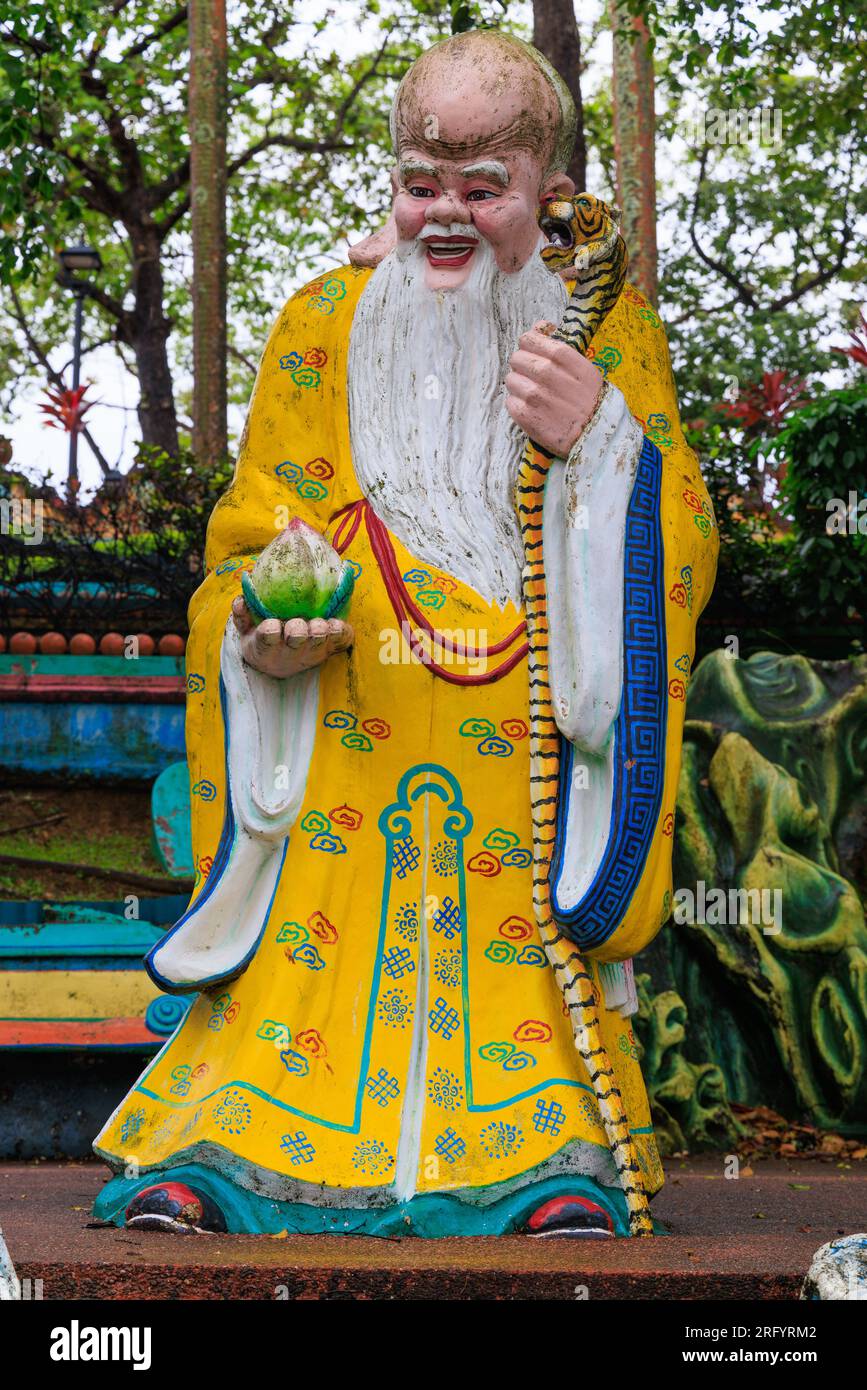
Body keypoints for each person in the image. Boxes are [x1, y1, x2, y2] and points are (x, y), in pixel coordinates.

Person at [93, 30, 717, 1238]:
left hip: (526, 749)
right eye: (421, 183)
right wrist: (264, 631)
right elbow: (245, 545)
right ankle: (229, 1150)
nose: (447, 215)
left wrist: (601, 440)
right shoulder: (323, 322)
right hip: (338, 732)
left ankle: (545, 1162)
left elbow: (681, 532)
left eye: (483, 190)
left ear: (546, 191)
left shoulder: (607, 326)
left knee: (529, 1003)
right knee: (289, 999)